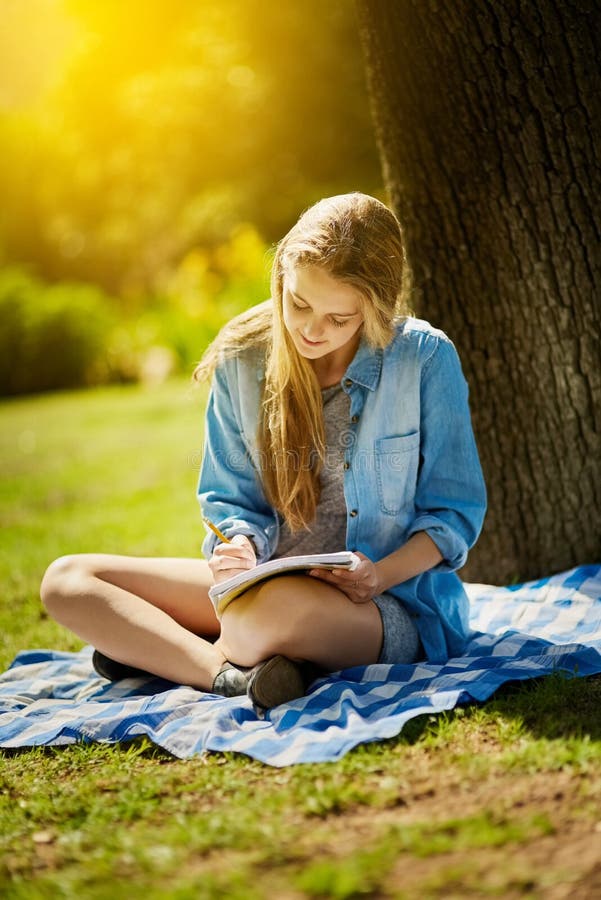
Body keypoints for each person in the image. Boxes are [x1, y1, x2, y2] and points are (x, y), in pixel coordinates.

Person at [41, 192, 487, 710]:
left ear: (374, 308)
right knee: (68, 581)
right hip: (264, 583)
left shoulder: (424, 359)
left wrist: (377, 575)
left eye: (338, 318)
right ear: (281, 276)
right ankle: (224, 673)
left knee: (269, 616)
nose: (311, 330)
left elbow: (453, 514)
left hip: (384, 603)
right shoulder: (242, 356)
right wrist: (241, 547)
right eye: (298, 304)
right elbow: (230, 500)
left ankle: (163, 652)